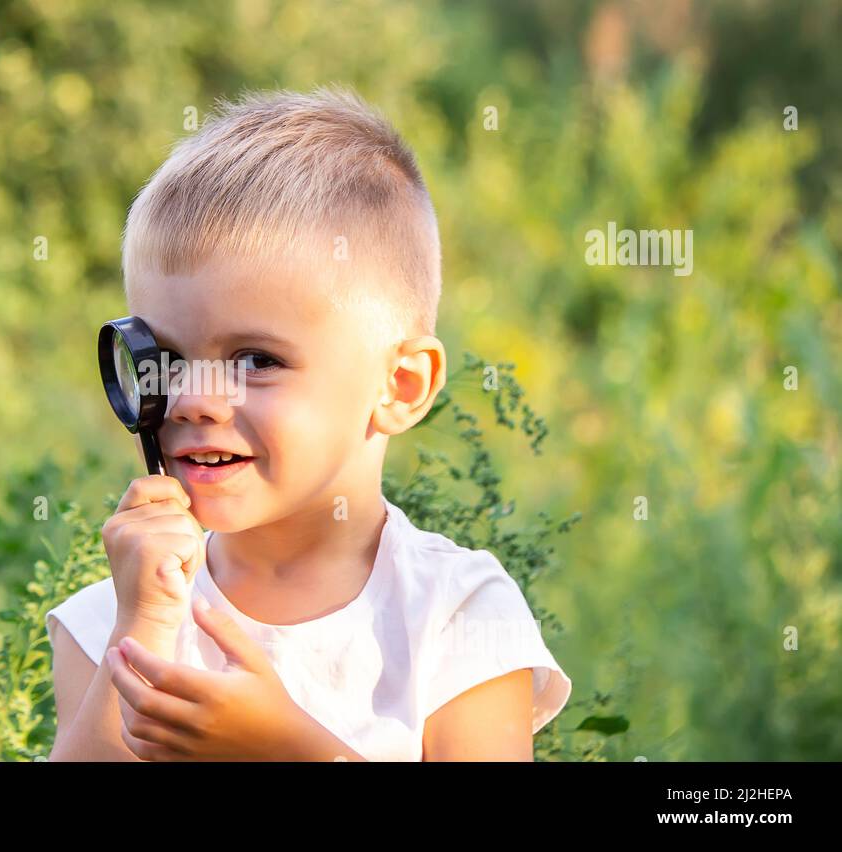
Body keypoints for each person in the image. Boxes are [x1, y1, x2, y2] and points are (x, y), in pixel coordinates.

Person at [46, 84, 571, 761]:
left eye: (256, 359)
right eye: (167, 360)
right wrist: (142, 622)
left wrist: (290, 750)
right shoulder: (109, 622)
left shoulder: (455, 615)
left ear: (401, 386)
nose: (192, 401)